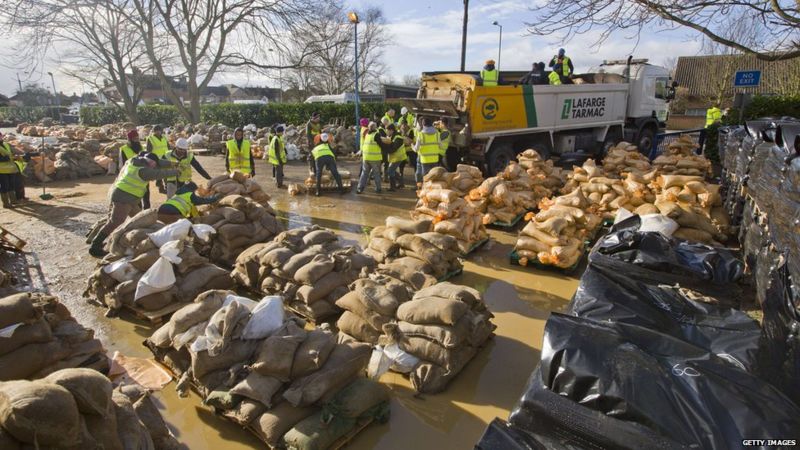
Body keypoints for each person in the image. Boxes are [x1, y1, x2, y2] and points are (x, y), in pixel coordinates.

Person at [89, 152, 179, 257]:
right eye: (154, 164)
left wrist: (173, 163)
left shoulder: (136, 161)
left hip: (130, 199)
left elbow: (158, 162)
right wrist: (175, 171)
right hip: (124, 198)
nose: (155, 166)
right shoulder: (143, 171)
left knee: (140, 219)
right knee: (115, 222)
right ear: (149, 162)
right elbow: (158, 174)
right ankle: (95, 246)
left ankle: (132, 242)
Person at [119, 129, 151, 209]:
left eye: (137, 138)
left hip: (143, 175)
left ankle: (147, 210)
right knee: (136, 195)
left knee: (146, 194)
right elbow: (122, 164)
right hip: (132, 176)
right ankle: (138, 211)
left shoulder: (141, 148)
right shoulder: (123, 149)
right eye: (134, 139)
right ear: (130, 140)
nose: (137, 141)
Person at [414, 117, 441, 185]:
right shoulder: (437, 133)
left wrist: (412, 146)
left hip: (425, 160)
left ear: (423, 125)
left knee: (426, 178)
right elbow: (440, 146)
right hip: (435, 159)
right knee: (434, 177)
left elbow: (416, 149)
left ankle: (426, 192)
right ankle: (433, 192)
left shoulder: (421, 134)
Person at [357, 126, 383, 194]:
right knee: (376, 174)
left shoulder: (367, 135)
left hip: (366, 158)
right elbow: (381, 144)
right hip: (375, 158)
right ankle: (378, 189)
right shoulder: (376, 135)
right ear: (375, 128)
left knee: (364, 173)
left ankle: (360, 188)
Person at [0, 133, 19, 208]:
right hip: (1, 170)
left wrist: (16, 157)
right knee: (4, 186)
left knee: (12, 185)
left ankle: (13, 200)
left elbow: (11, 153)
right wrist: (3, 159)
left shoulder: (6, 144)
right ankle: (6, 203)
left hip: (11, 169)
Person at [386, 124, 407, 191]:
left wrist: (386, 149)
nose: (387, 132)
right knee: (392, 170)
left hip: (398, 157)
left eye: (388, 131)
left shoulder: (398, 138)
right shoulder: (393, 136)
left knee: (390, 171)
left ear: (391, 130)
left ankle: (393, 187)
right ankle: (401, 183)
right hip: (396, 157)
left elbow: (394, 148)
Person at [398, 122, 415, 188]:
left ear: (407, 126)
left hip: (411, 151)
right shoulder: (399, 132)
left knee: (414, 164)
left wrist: (404, 137)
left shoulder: (411, 131)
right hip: (403, 151)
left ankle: (417, 182)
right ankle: (401, 182)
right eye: (402, 127)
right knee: (401, 165)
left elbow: (409, 141)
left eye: (405, 126)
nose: (403, 128)